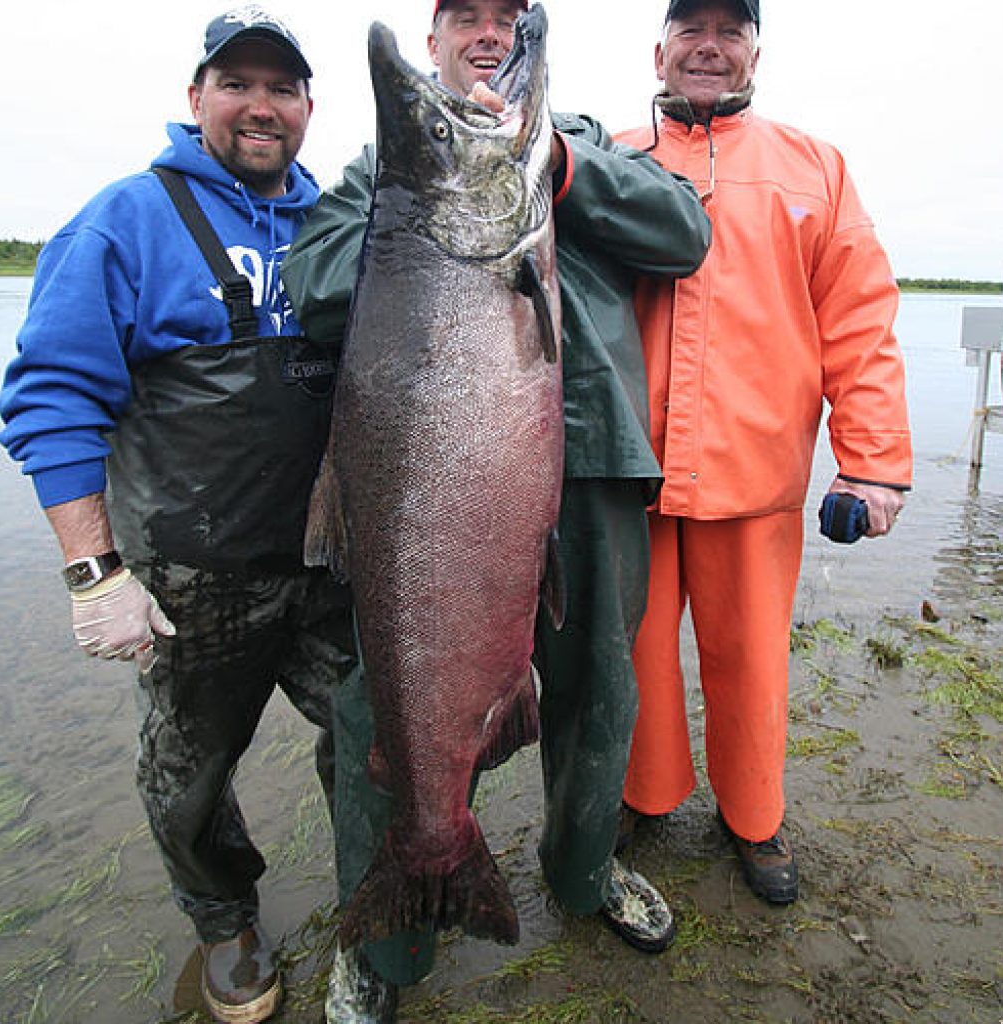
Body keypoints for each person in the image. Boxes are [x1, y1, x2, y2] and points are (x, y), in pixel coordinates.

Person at [281, 1, 712, 1020]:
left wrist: (555, 166)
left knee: (598, 689)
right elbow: (313, 285)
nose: (488, 33)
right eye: (464, 16)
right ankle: (386, 940)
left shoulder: (585, 144)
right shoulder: (382, 167)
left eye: (505, 17)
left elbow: (684, 233)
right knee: (392, 703)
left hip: (594, 467)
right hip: (425, 497)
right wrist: (426, 208)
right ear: (433, 40)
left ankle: (583, 871)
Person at [0, 8, 353, 1023]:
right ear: (196, 98)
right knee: (187, 773)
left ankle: (380, 886)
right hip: (194, 580)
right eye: (236, 83)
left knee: (377, 728)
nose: (260, 106)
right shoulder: (124, 219)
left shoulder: (337, 225)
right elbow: (51, 399)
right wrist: (94, 572)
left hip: (332, 565)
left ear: (308, 106)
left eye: (281, 87)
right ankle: (224, 917)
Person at [614, 0, 913, 906]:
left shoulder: (816, 167)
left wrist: (871, 463)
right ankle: (643, 795)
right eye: (691, 29)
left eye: (730, 32)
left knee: (752, 661)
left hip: (755, 475)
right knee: (632, 655)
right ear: (659, 50)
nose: (709, 47)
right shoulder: (607, 160)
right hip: (625, 476)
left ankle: (753, 815)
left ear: (755, 53)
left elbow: (859, 322)